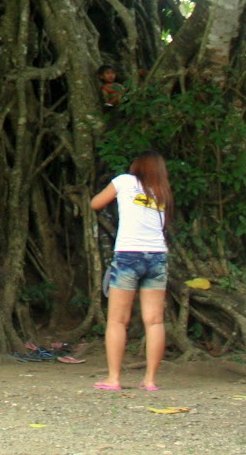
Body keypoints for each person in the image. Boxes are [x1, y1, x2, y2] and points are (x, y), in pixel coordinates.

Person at [90, 150, 173, 392]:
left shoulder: (124, 181)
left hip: (128, 255)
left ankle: (114, 378)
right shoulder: (161, 191)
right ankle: (149, 380)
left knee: (117, 319)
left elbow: (95, 203)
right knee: (155, 321)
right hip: (157, 256)